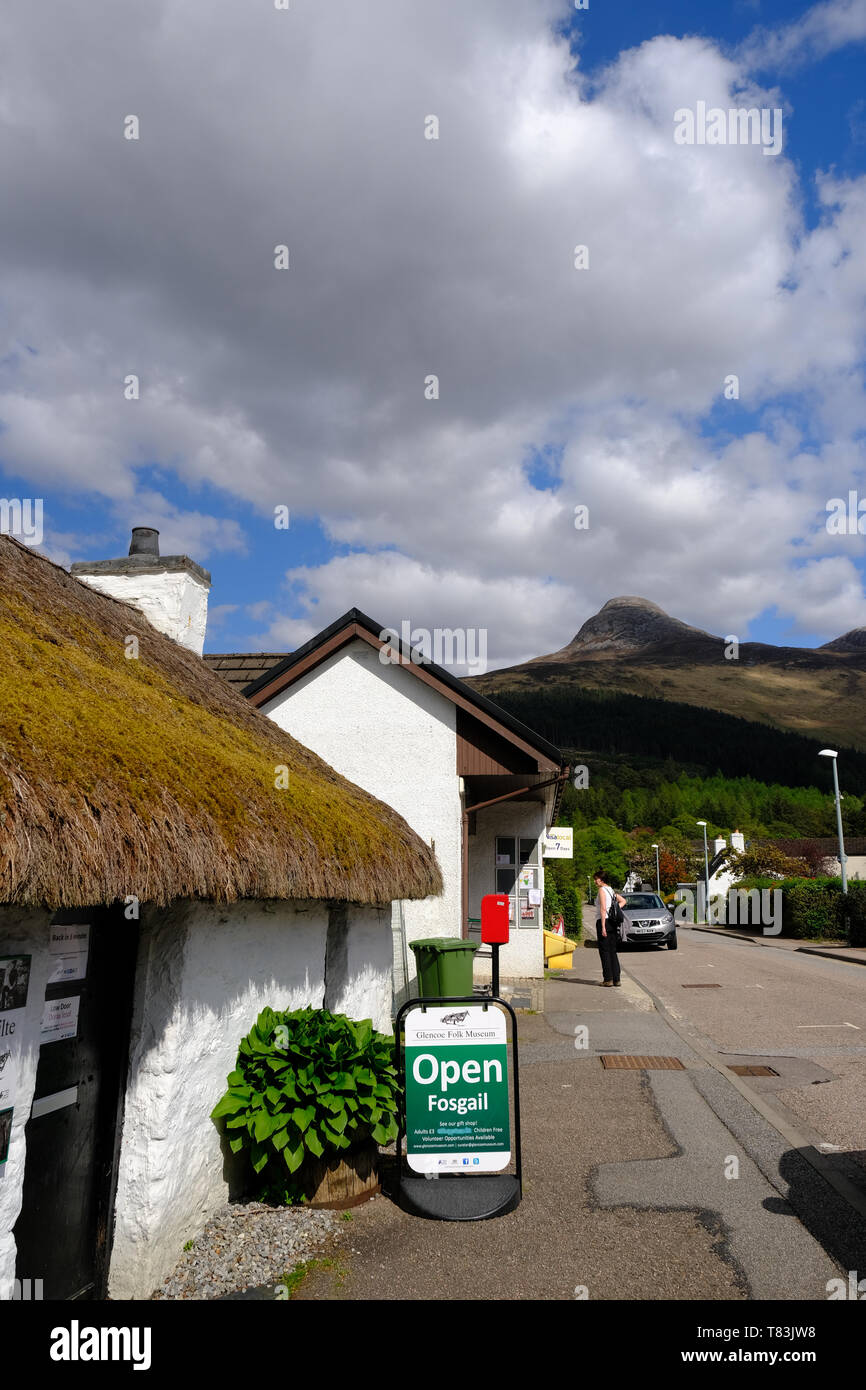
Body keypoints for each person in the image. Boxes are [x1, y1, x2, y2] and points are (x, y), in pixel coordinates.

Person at [593, 870, 626, 987]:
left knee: (604, 951)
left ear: (601, 879)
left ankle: (608, 979)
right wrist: (613, 910)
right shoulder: (611, 890)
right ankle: (617, 979)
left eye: (596, 879)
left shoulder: (602, 890)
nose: (595, 881)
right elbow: (623, 901)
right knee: (612, 950)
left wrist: (602, 926)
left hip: (604, 922)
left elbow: (602, 908)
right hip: (612, 922)